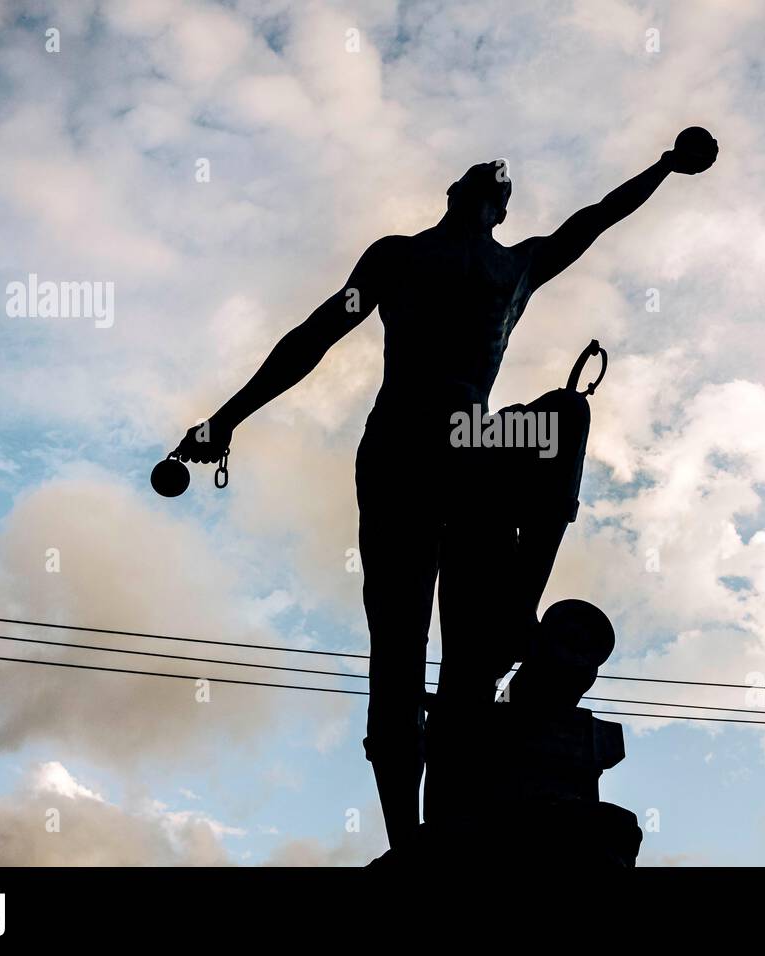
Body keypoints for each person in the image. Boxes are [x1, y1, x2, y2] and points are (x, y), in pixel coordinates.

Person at [172, 128, 719, 850]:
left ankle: (517, 610)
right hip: (402, 441)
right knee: (397, 643)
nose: (487, 189)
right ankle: (408, 844)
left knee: (563, 416)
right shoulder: (397, 255)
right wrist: (227, 418)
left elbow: (595, 219)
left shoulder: (520, 267)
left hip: (476, 441)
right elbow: (316, 333)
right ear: (455, 194)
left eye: (498, 188)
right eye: (477, 182)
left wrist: (663, 167)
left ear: (501, 208)